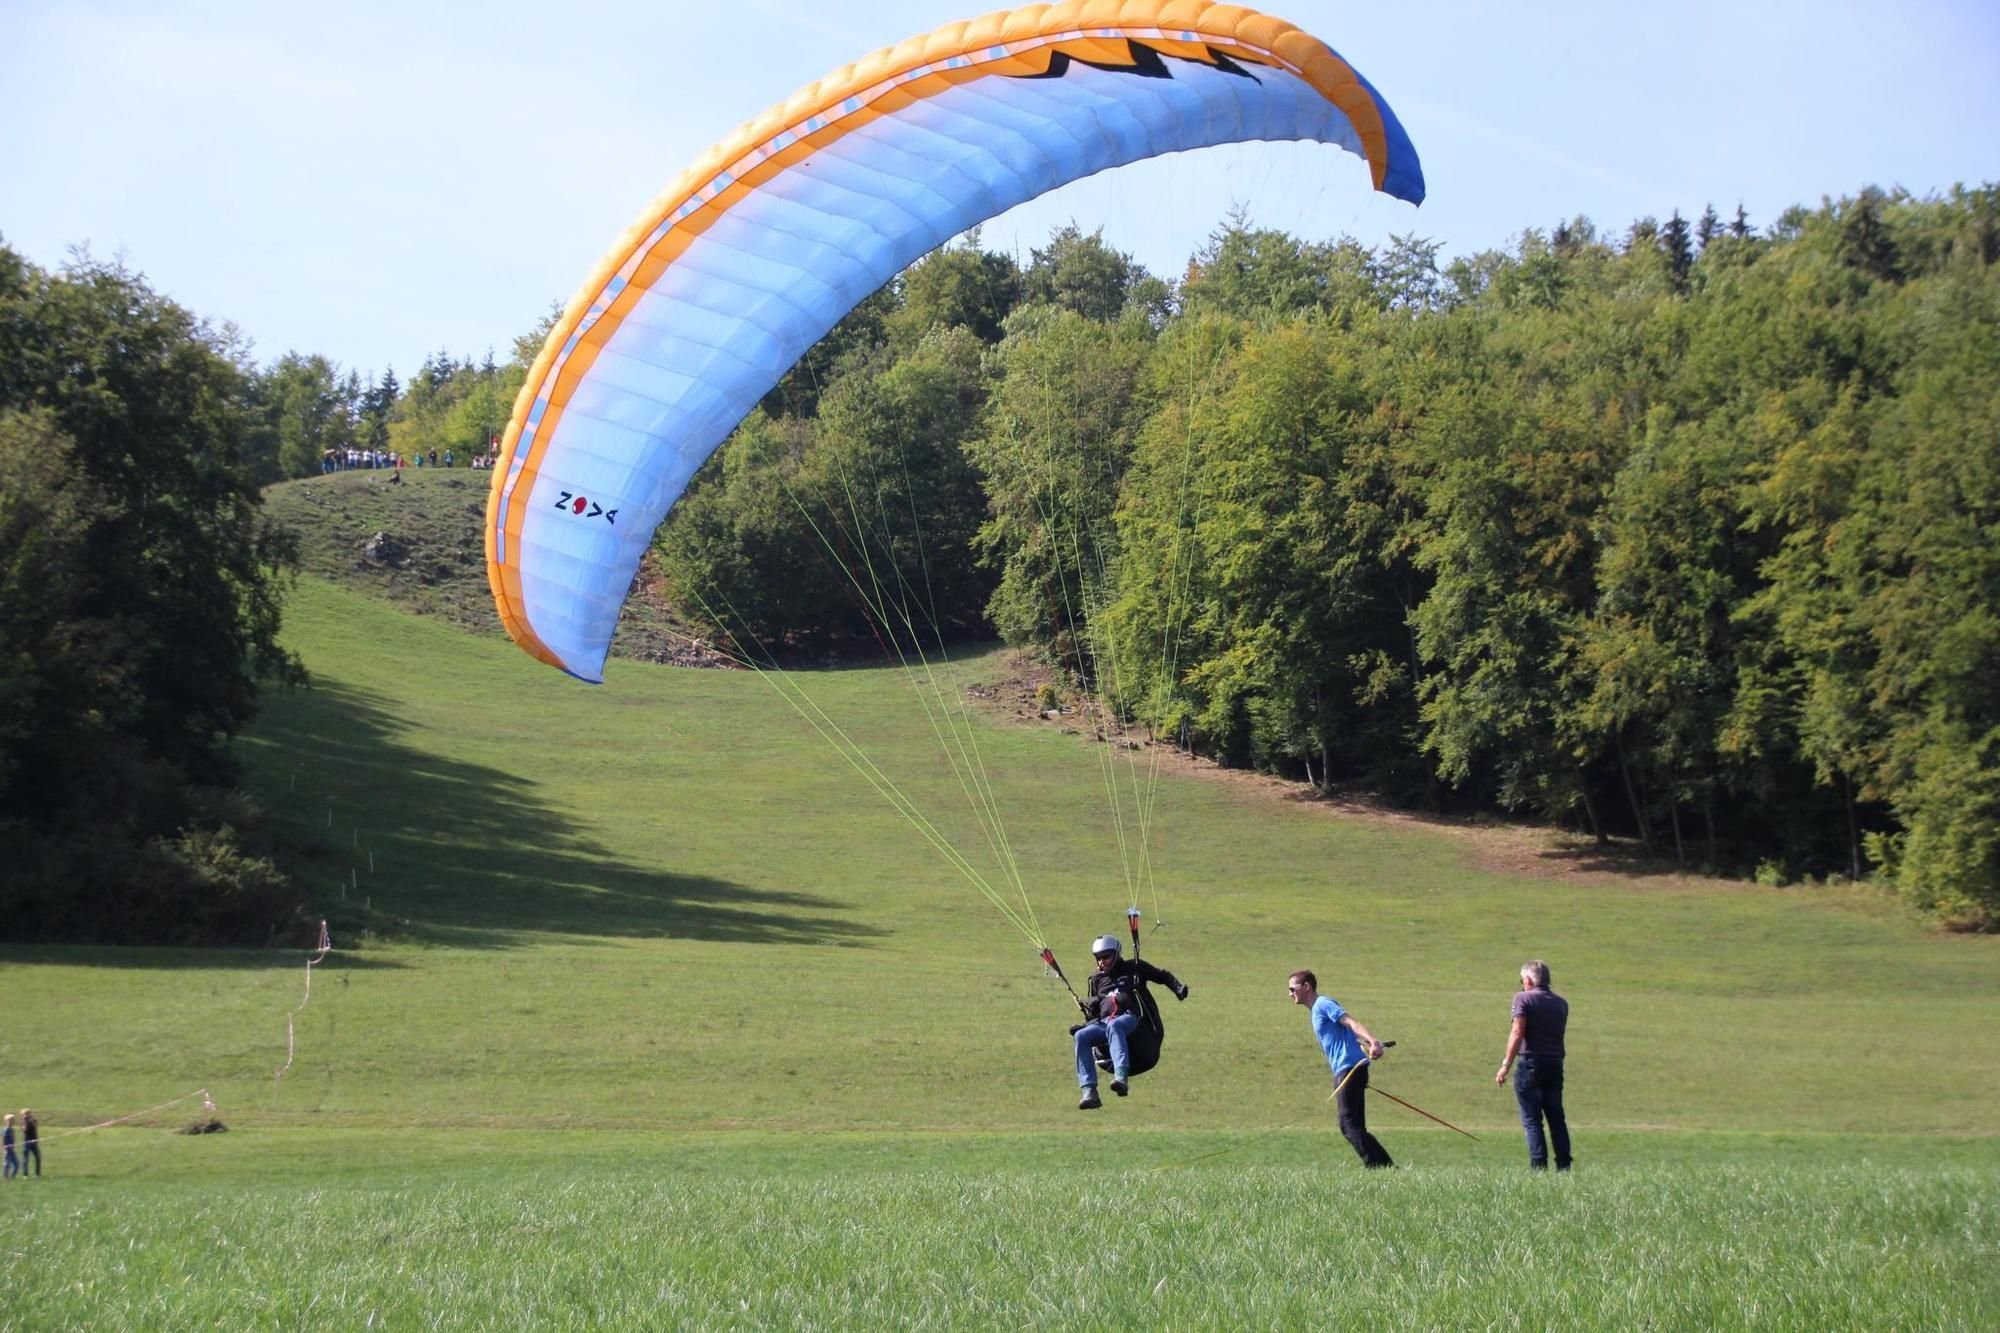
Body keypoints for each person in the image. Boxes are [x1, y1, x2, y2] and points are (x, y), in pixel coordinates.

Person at [1289, 969, 1393, 1167]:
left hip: (1349, 1069)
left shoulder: (1323, 1004)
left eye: (1292, 988)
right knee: (1355, 1126)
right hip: (1350, 1068)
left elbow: (1350, 1022)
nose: (1289, 993)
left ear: (1306, 986)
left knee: (1348, 1125)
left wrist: (1372, 1040)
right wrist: (1367, 1044)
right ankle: (1384, 1167)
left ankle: (1380, 1166)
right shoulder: (1316, 1010)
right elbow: (1347, 1033)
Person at [1071, 935, 1187, 1110]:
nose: (1102, 962)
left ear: (1116, 954)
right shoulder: (1097, 980)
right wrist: (1087, 1022)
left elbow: (1161, 976)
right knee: (1081, 1036)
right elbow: (1095, 1014)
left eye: (1106, 957)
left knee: (1114, 1025)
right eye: (1099, 958)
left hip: (1131, 1019)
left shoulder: (1133, 968)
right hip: (1105, 1023)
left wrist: (1178, 988)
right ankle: (1089, 1091)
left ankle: (1121, 1076)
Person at [1496, 959, 1571, 1170]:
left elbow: (1518, 1032)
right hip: (1555, 1064)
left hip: (1530, 1064)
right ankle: (1564, 1166)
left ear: (1528, 979)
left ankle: (1539, 1167)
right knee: (1556, 1118)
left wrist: (1505, 1065)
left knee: (1532, 1120)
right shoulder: (1561, 1003)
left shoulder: (1523, 999)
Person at [18, 1108, 39, 1177]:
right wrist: (25, 1122)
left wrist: (31, 1121)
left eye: (27, 1113)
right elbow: (24, 1130)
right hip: (26, 1142)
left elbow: (36, 1127)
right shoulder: (23, 1121)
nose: (26, 1115)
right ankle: (25, 1174)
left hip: (34, 1141)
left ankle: (37, 1174)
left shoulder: (33, 1120)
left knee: (37, 1157)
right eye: (24, 1114)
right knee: (25, 1159)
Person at [1, 1112, 17, 1180]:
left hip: (11, 1150)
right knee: (7, 1164)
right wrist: (2, 1148)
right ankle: (5, 1177)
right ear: (7, 1121)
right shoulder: (5, 1130)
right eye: (11, 1120)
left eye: (13, 1120)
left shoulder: (12, 1130)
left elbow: (13, 1138)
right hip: (6, 1150)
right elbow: (1, 1139)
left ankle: (12, 1177)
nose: (12, 1121)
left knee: (17, 1164)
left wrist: (13, 1145)